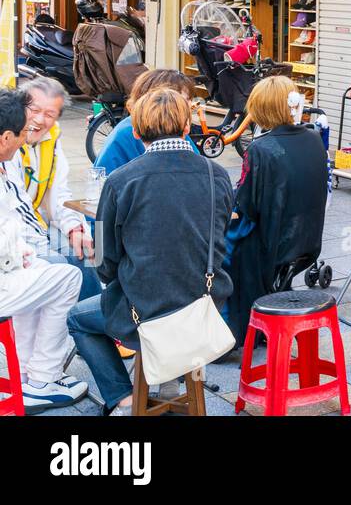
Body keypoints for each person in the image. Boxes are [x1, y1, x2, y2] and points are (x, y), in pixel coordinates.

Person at [67, 88, 235, 416]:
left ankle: (123, 398)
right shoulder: (218, 175)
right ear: (187, 128)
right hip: (206, 305)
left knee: (77, 318)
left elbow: (103, 260)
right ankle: (169, 380)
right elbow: (218, 238)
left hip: (142, 312)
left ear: (137, 131)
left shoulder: (120, 181)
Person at [0, 88, 88, 412]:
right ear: (6, 136)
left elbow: (55, 199)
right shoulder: (9, 155)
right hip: (14, 257)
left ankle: (30, 374)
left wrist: (75, 227)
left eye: (49, 114)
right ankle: (43, 377)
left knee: (70, 260)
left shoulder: (39, 148)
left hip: (27, 244)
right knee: (67, 275)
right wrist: (20, 253)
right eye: (32, 114)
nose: (35, 125)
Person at [224, 75, 328, 343]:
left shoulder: (261, 148)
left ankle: (236, 333)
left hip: (271, 245)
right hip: (305, 240)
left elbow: (245, 203)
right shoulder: (314, 138)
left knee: (224, 245)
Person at [3, 78, 98, 300]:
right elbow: (14, 211)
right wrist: (45, 249)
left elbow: (59, 195)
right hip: (15, 236)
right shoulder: (9, 145)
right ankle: (77, 321)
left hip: (36, 227)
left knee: (86, 247)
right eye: (34, 110)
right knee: (59, 262)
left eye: (49, 114)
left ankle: (92, 319)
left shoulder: (51, 140)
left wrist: (74, 227)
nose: (39, 120)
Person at [94, 69, 198, 175]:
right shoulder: (126, 134)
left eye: (189, 99)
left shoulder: (172, 128)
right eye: (183, 100)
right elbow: (103, 180)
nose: (190, 105)